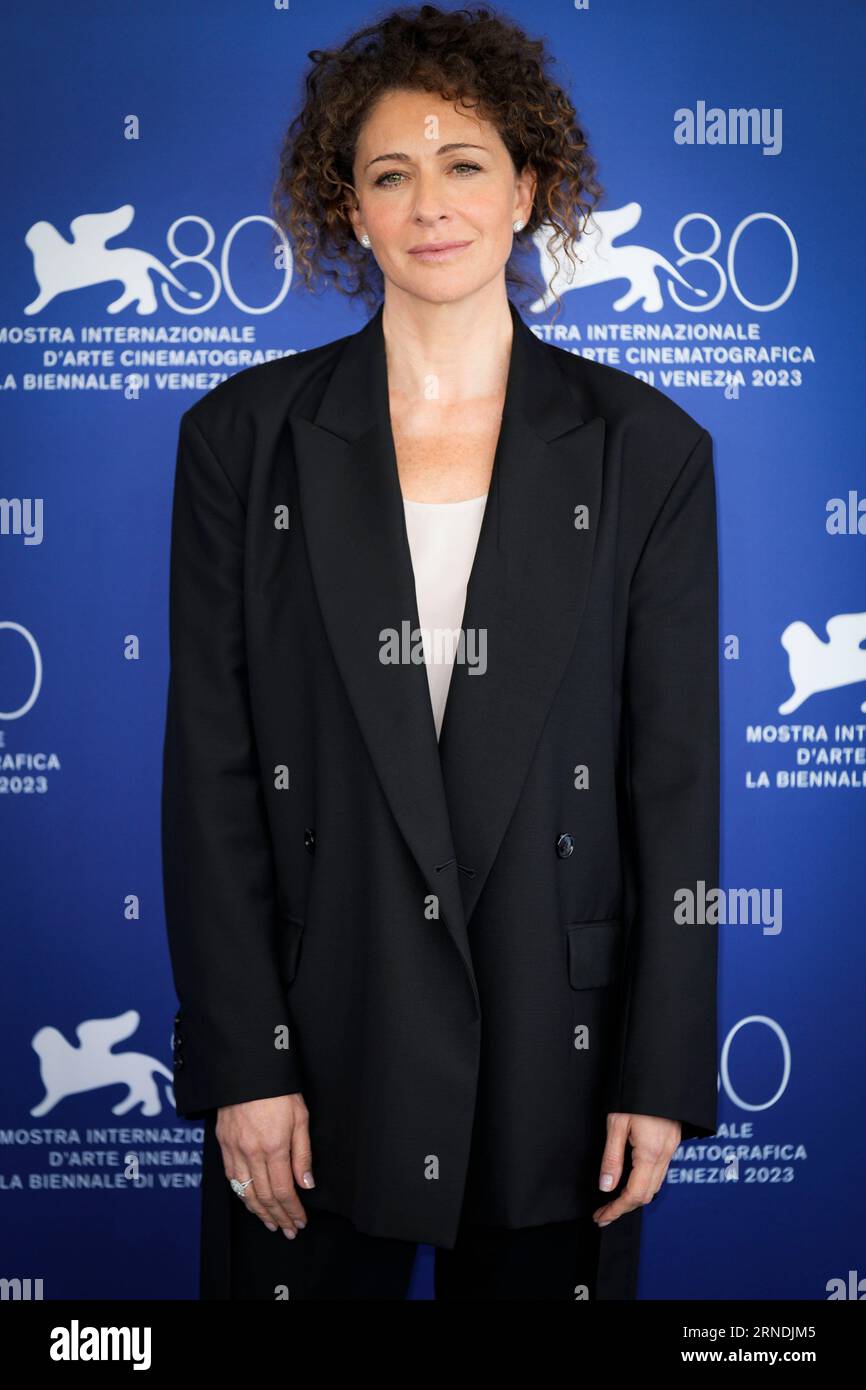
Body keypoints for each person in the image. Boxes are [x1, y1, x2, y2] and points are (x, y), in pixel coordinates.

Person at [161, 3, 720, 1301]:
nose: (430, 203)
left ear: (525, 190)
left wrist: (657, 1069)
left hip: (558, 1053)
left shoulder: (649, 452)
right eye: (389, 173)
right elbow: (211, 774)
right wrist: (244, 1060)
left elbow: (673, 786)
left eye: (463, 163)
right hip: (317, 1036)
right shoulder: (240, 443)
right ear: (348, 209)